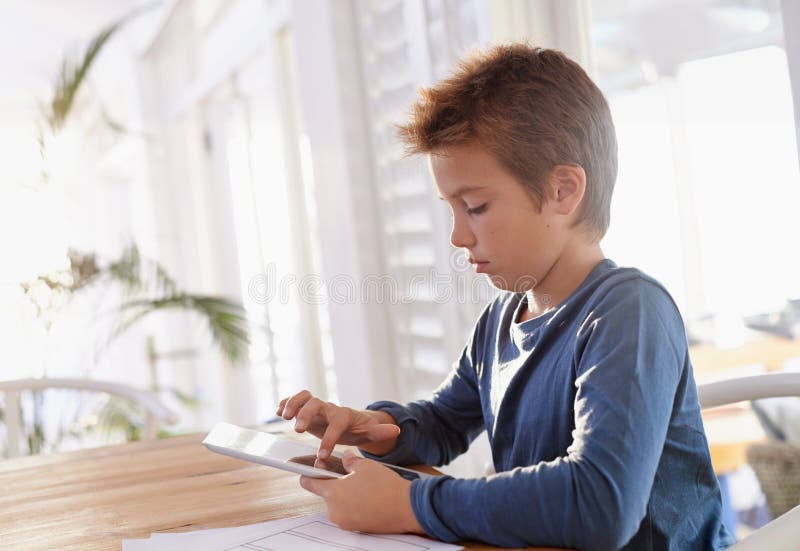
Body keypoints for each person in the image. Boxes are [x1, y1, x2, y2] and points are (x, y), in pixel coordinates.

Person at [276, 43, 734, 550]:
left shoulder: (630, 313)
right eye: (452, 209)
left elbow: (601, 504)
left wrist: (411, 504)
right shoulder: (501, 320)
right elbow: (444, 422)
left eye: (475, 207)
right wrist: (375, 428)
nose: (457, 236)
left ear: (563, 191)